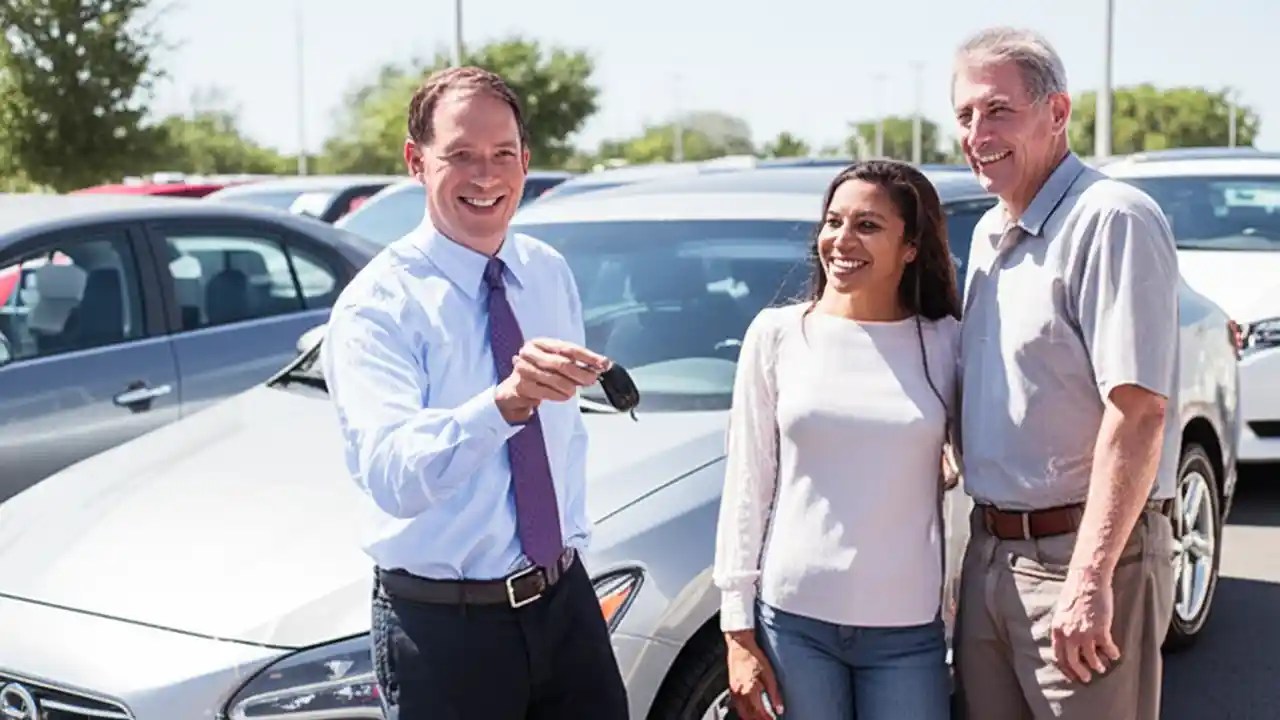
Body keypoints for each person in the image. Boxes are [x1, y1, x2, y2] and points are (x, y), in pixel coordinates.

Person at [320, 66, 630, 719]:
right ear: (415, 161)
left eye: (501, 155)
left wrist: (572, 548)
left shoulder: (546, 272)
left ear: (526, 160)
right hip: (446, 632)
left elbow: (564, 441)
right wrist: (505, 403)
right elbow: (394, 476)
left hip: (564, 605)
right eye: (460, 155)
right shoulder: (377, 305)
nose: (486, 176)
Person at [949, 27, 1179, 720]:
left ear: (1057, 113)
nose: (977, 132)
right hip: (991, 554)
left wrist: (1088, 579)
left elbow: (1138, 411)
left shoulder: (1112, 221)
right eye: (964, 115)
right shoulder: (991, 231)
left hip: (1078, 561)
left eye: (998, 110)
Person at [713, 159, 963, 720]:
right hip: (794, 622)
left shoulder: (947, 342)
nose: (841, 240)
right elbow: (747, 484)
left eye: (868, 226)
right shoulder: (776, 334)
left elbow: (987, 466)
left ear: (911, 247)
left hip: (908, 631)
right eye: (833, 222)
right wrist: (737, 629)